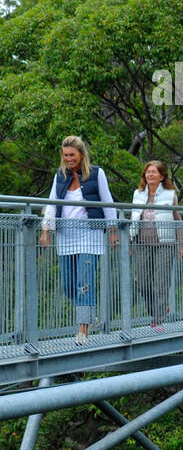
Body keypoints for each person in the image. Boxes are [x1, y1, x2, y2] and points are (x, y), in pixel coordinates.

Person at [40, 136, 118, 345]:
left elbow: (107, 201)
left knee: (85, 283)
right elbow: (50, 203)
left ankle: (82, 330)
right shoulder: (60, 175)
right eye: (65, 155)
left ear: (81, 154)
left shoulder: (96, 173)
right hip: (66, 237)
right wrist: (45, 229)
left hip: (89, 235)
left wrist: (112, 230)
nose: (68, 159)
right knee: (68, 285)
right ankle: (89, 315)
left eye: (72, 155)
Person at [130, 160, 183, 330]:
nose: (150, 175)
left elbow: (178, 220)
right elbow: (133, 218)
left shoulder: (170, 195)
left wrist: (181, 244)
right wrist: (130, 242)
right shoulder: (137, 194)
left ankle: (158, 320)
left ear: (162, 176)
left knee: (161, 282)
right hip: (141, 242)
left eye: (154, 172)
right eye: (148, 172)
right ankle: (156, 308)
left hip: (165, 243)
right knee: (141, 281)